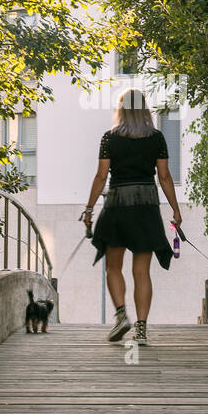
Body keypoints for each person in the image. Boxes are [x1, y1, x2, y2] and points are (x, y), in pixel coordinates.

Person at [80, 89, 182, 345]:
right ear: (145, 109)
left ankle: (121, 315)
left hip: (117, 205)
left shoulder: (109, 138)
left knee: (113, 266)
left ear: (121, 109)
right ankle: (141, 330)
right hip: (146, 205)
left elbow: (102, 176)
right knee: (141, 271)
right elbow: (165, 176)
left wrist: (90, 209)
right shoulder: (157, 137)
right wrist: (175, 210)